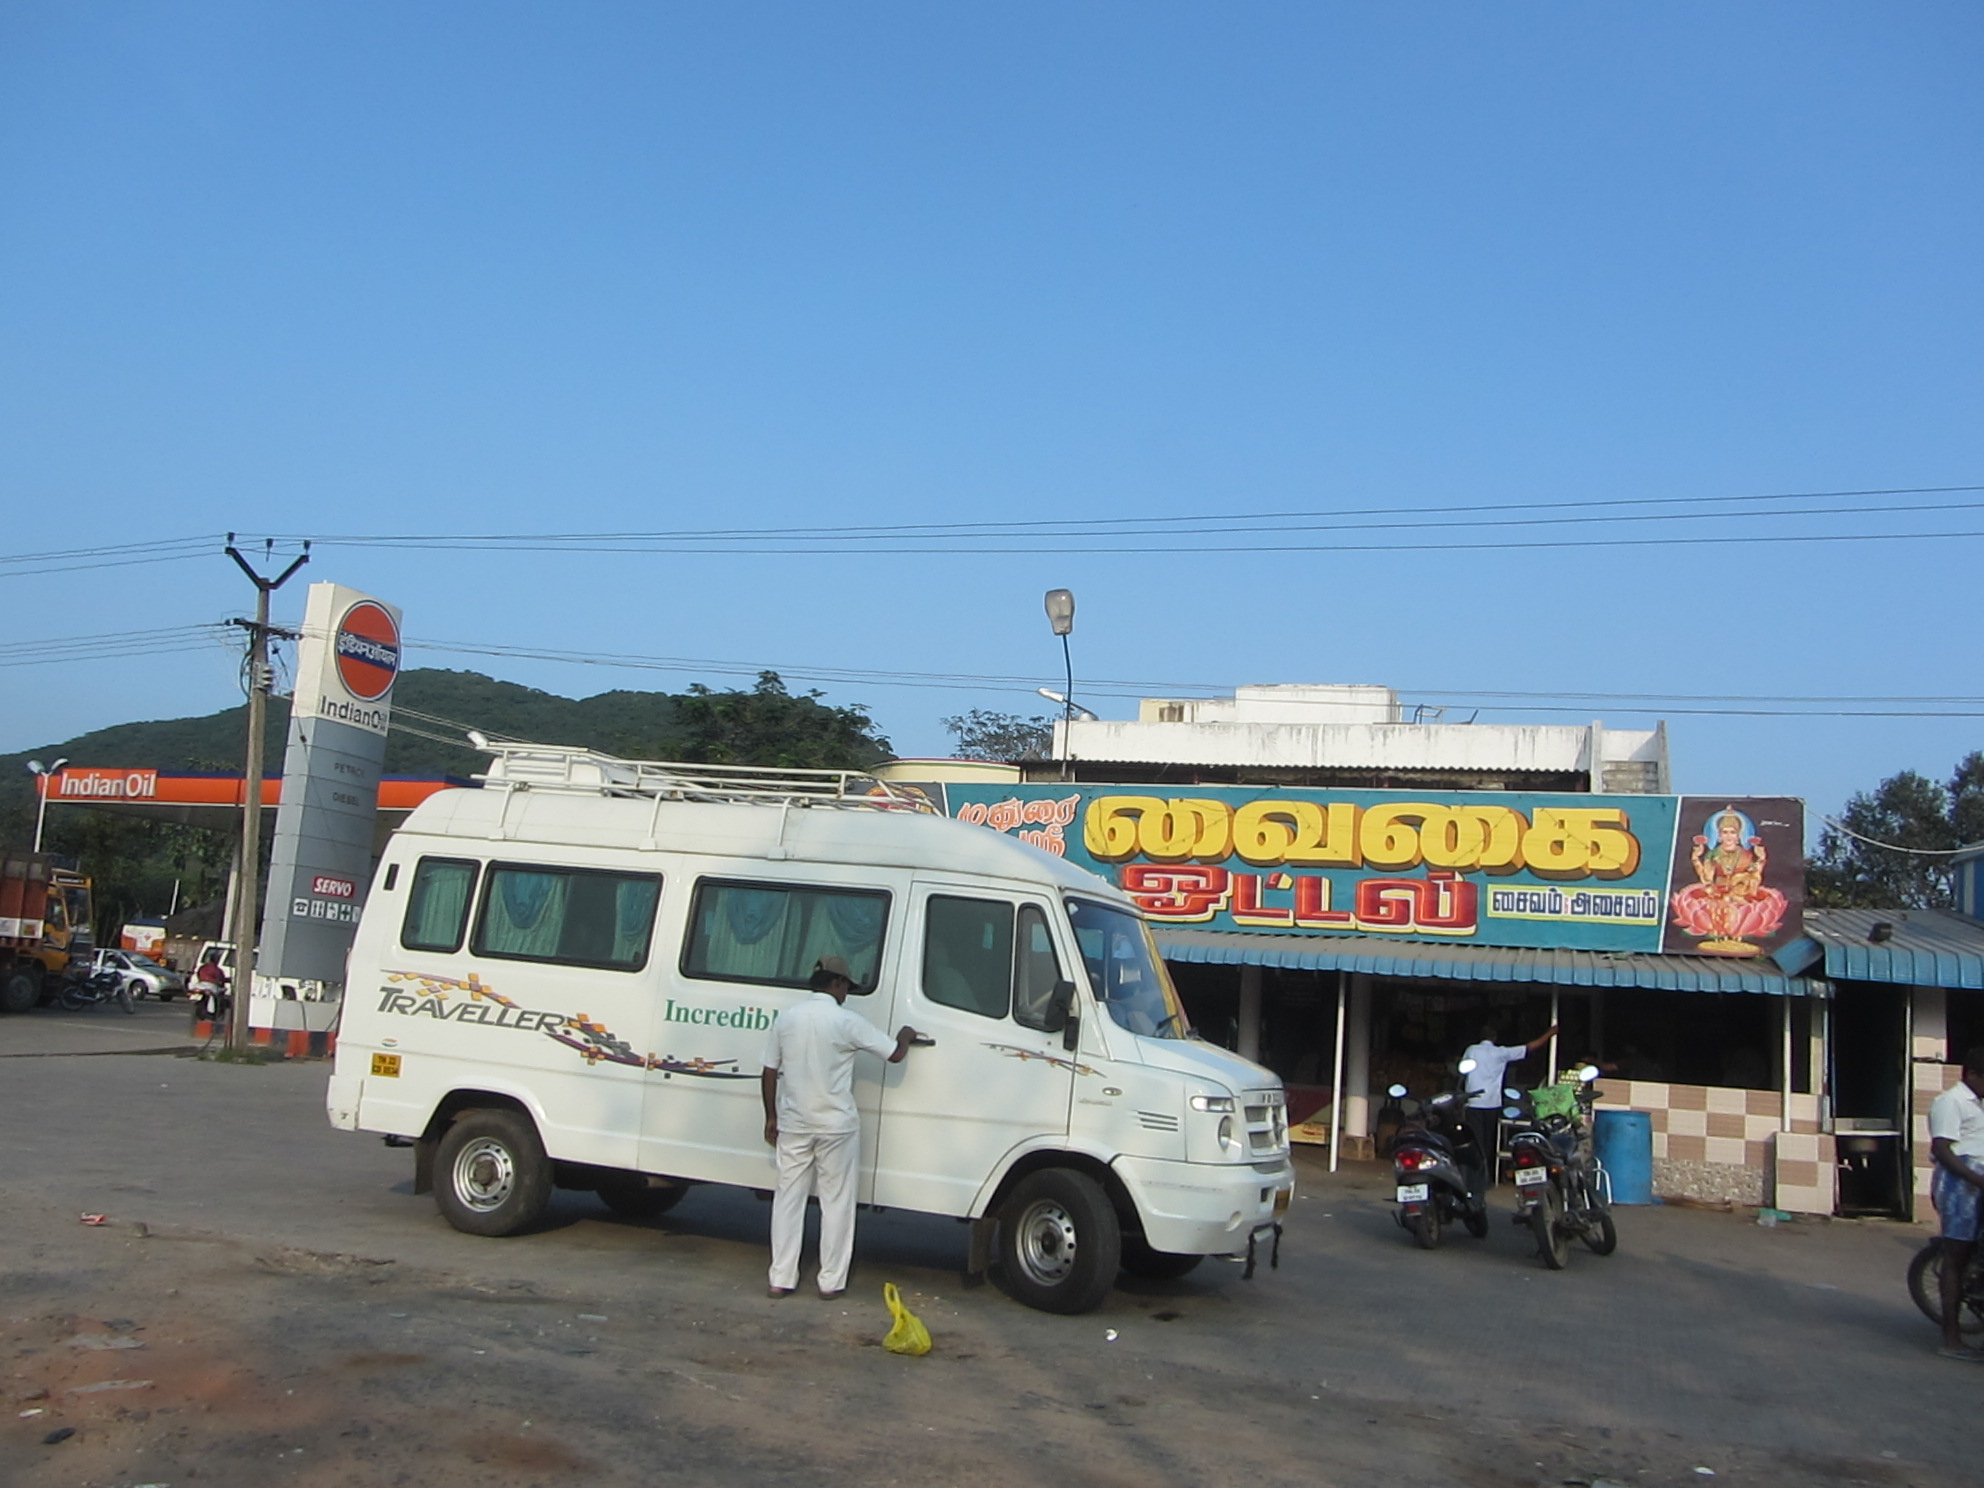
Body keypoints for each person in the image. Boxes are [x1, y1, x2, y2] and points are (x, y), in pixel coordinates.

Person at [759, 955, 923, 1300]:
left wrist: (771, 1116)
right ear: (836, 983)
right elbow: (894, 1054)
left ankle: (780, 1278)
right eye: (847, 986)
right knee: (836, 1203)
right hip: (836, 1126)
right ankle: (830, 1282)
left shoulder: (786, 1020)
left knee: (788, 1199)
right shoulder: (846, 1021)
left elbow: (769, 1071)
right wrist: (906, 1035)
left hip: (794, 1122)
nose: (847, 992)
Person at [1927, 1047, 1984, 1361]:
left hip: (1977, 1181)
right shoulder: (1951, 1102)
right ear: (1972, 1075)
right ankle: (1952, 1339)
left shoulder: (1978, 1104)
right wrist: (1977, 1181)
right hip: (1960, 1186)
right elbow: (1944, 1151)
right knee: (1957, 1259)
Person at [1460, 1020, 1558, 1176]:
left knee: (1475, 1142)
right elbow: (1529, 1047)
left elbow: (1463, 1069)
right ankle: (1488, 1176)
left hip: (1473, 1102)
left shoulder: (1471, 1050)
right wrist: (1550, 1033)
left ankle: (1475, 1176)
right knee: (1488, 1142)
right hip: (1492, 1102)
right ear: (1495, 1037)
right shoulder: (1501, 1052)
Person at [193, 950, 230, 1023]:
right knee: (217, 995)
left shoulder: (203, 967)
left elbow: (198, 975)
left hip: (200, 985)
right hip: (211, 986)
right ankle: (212, 1012)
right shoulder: (216, 969)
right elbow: (220, 978)